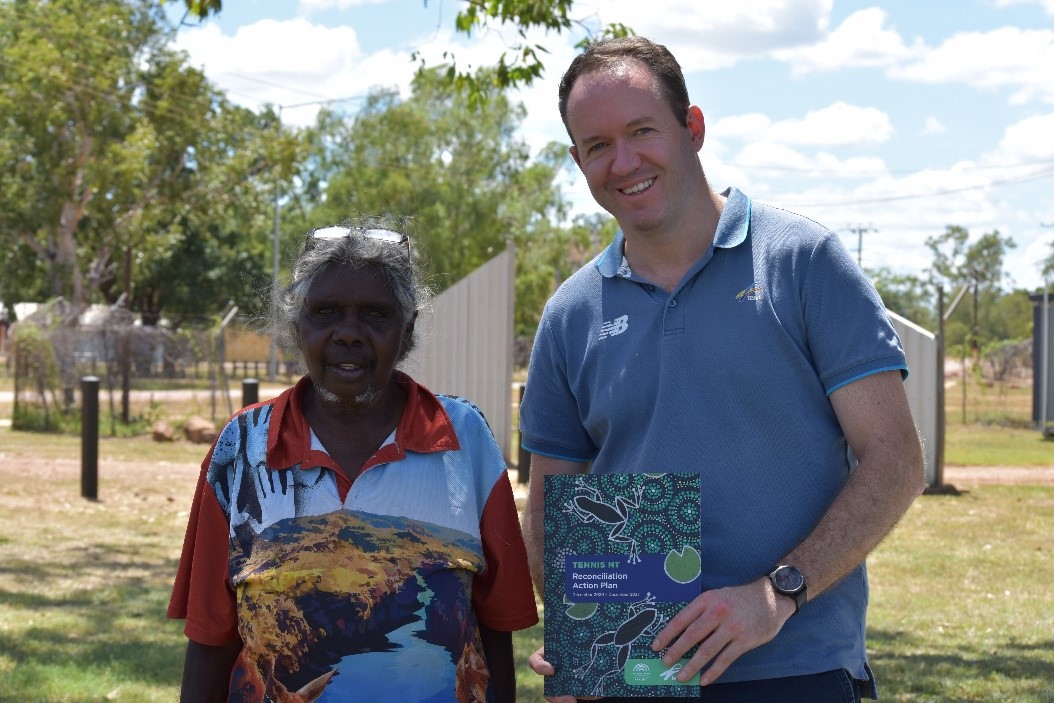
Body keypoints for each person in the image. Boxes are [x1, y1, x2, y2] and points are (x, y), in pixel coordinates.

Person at [519, 36, 925, 702]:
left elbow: (895, 460)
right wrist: (578, 638)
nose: (623, 161)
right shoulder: (571, 313)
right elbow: (549, 507)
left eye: (642, 130)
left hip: (799, 670)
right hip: (636, 678)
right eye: (596, 146)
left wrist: (778, 593)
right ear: (578, 161)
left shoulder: (801, 261)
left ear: (693, 128)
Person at [168, 220, 538, 703]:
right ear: (295, 326)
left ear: (407, 333)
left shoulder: (464, 439)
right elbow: (211, 638)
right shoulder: (243, 446)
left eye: (376, 315)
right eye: (325, 312)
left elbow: (495, 630)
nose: (349, 334)